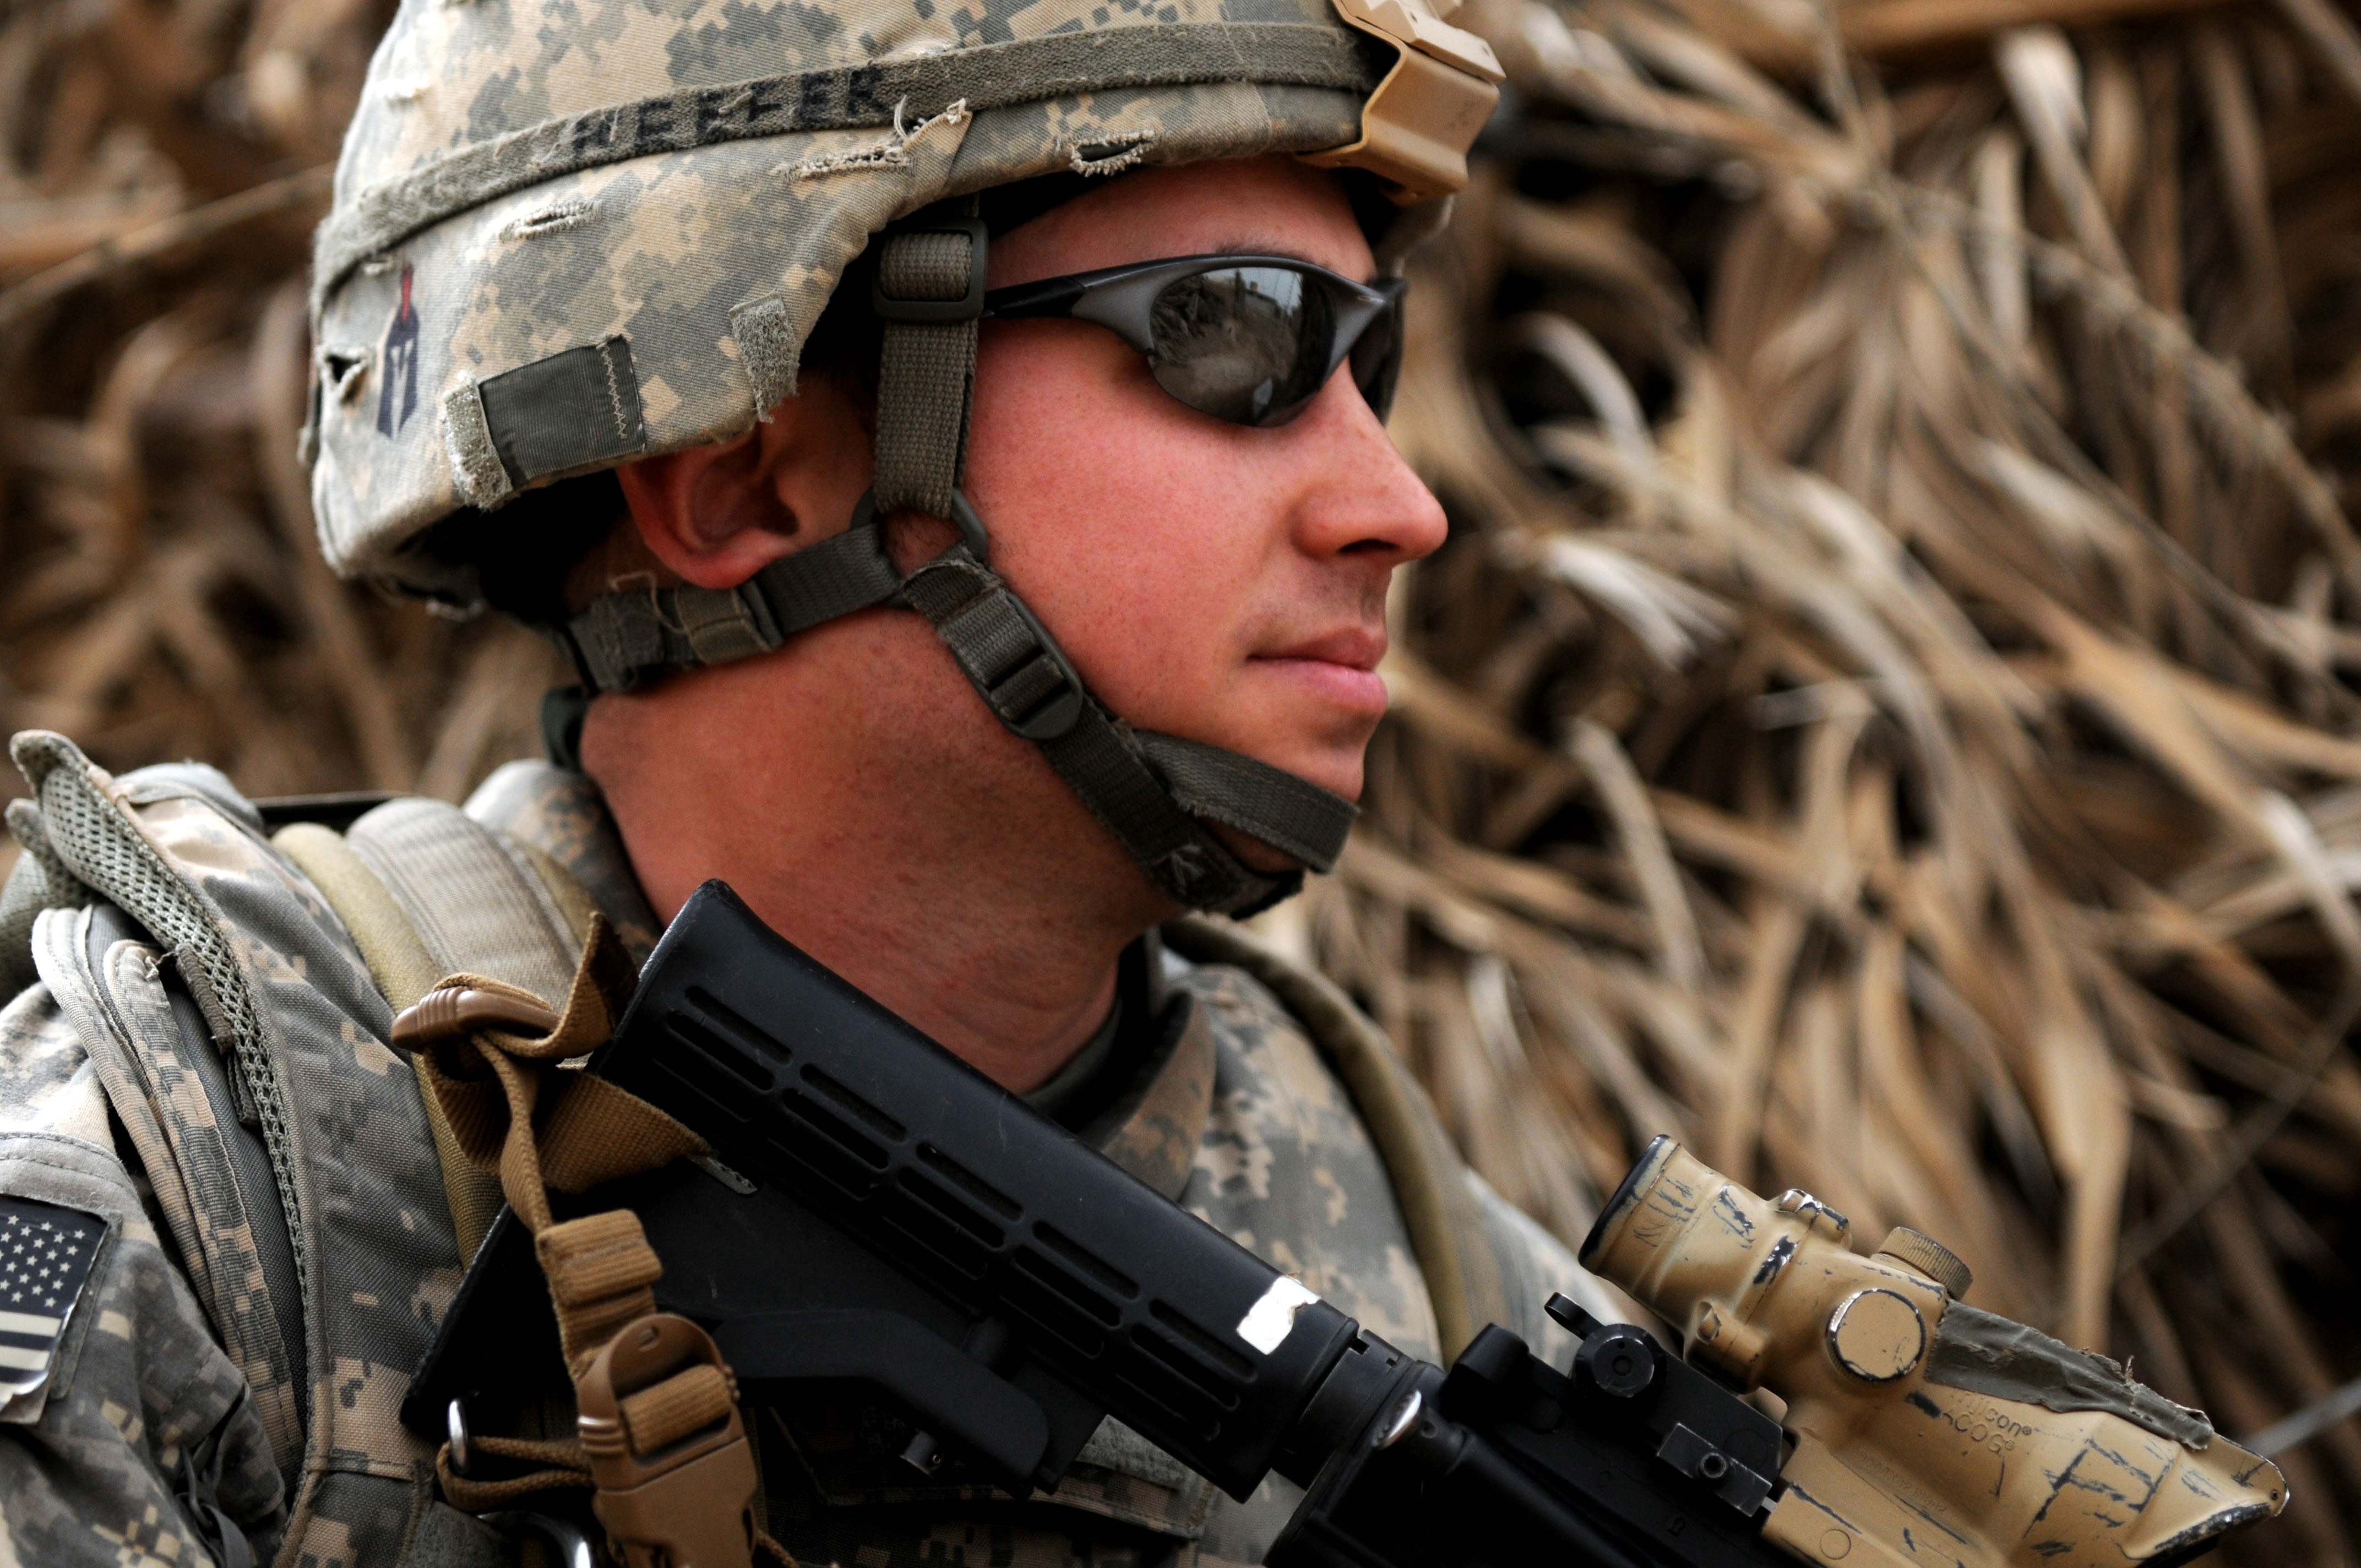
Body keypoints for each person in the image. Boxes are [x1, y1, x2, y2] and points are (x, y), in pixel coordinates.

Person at [0, 0, 1615, 1562]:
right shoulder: (221, 1188)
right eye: (1236, 334)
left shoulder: (1441, 1271)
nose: (1399, 504)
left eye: (1373, 367)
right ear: (740, 475)